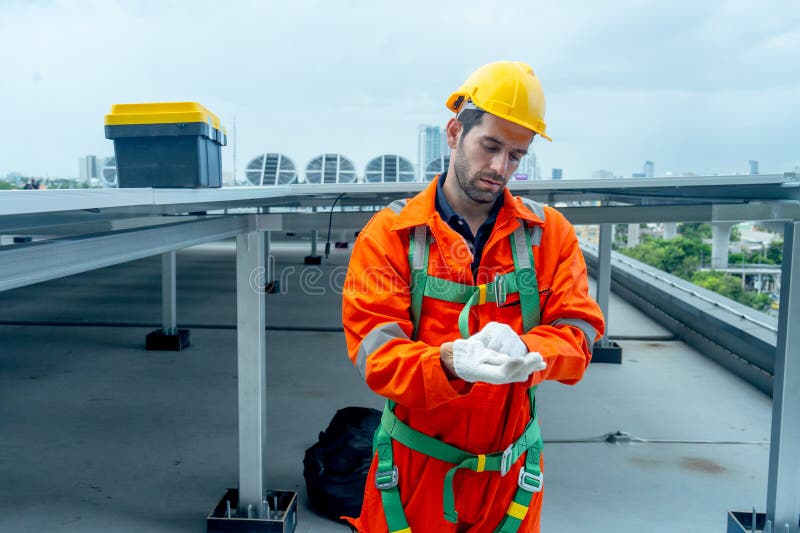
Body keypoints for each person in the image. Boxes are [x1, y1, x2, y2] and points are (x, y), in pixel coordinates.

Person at [342, 61, 605, 533]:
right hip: (412, 476)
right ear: (453, 133)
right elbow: (375, 354)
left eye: (516, 156)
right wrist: (446, 363)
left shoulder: (550, 236)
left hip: (511, 479)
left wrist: (532, 348)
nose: (501, 168)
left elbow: (580, 334)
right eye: (490, 146)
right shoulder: (392, 236)